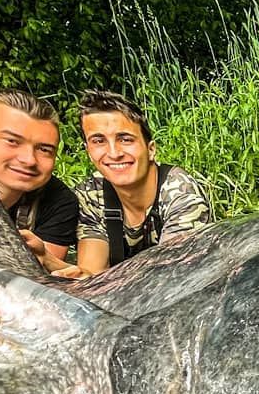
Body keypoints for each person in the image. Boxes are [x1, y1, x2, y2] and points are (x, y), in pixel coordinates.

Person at [55, 91, 209, 279]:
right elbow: (93, 274)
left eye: (125, 139)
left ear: (151, 149)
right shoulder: (91, 194)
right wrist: (60, 267)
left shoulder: (180, 192)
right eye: (99, 141)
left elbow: (172, 277)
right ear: (88, 151)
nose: (114, 153)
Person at [0, 90, 78, 269]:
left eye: (44, 149)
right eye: (12, 141)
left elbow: (42, 278)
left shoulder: (59, 201)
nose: (29, 160)